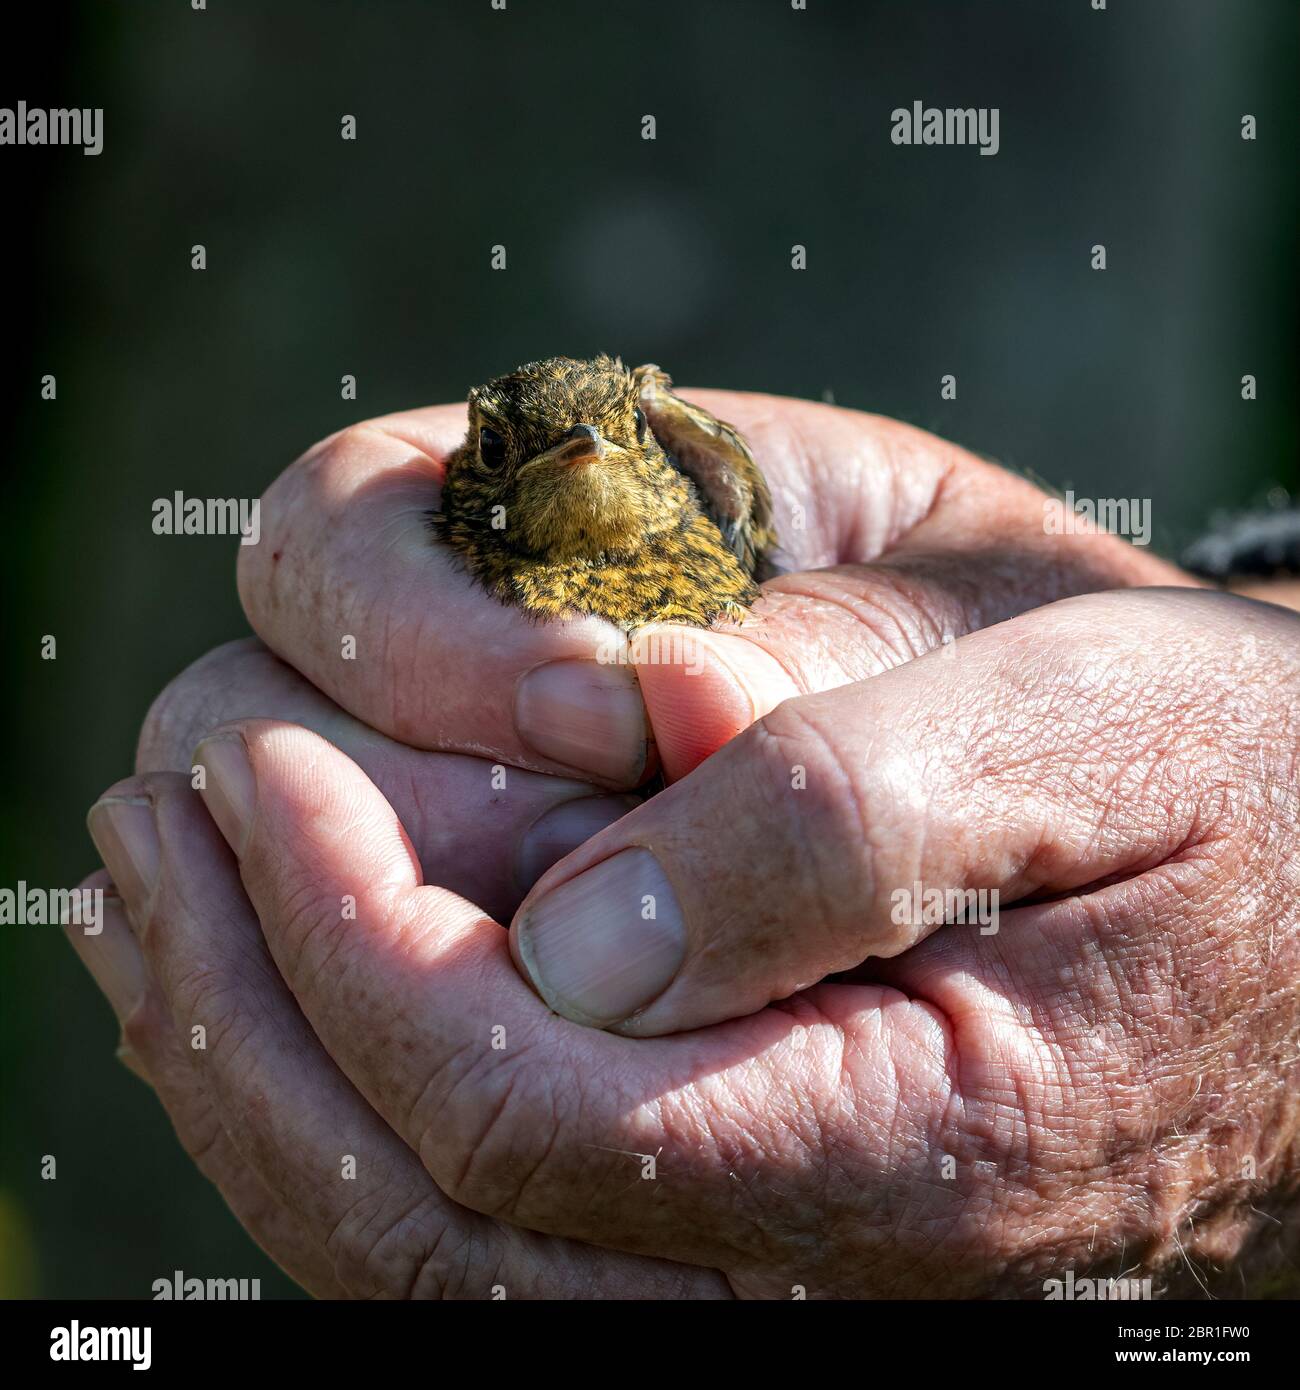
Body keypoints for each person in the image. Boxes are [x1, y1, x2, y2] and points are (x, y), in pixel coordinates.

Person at [68, 394, 1300, 1298]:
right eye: (506, 455)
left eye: (618, 439)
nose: (581, 456)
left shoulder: (699, 548)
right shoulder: (472, 583)